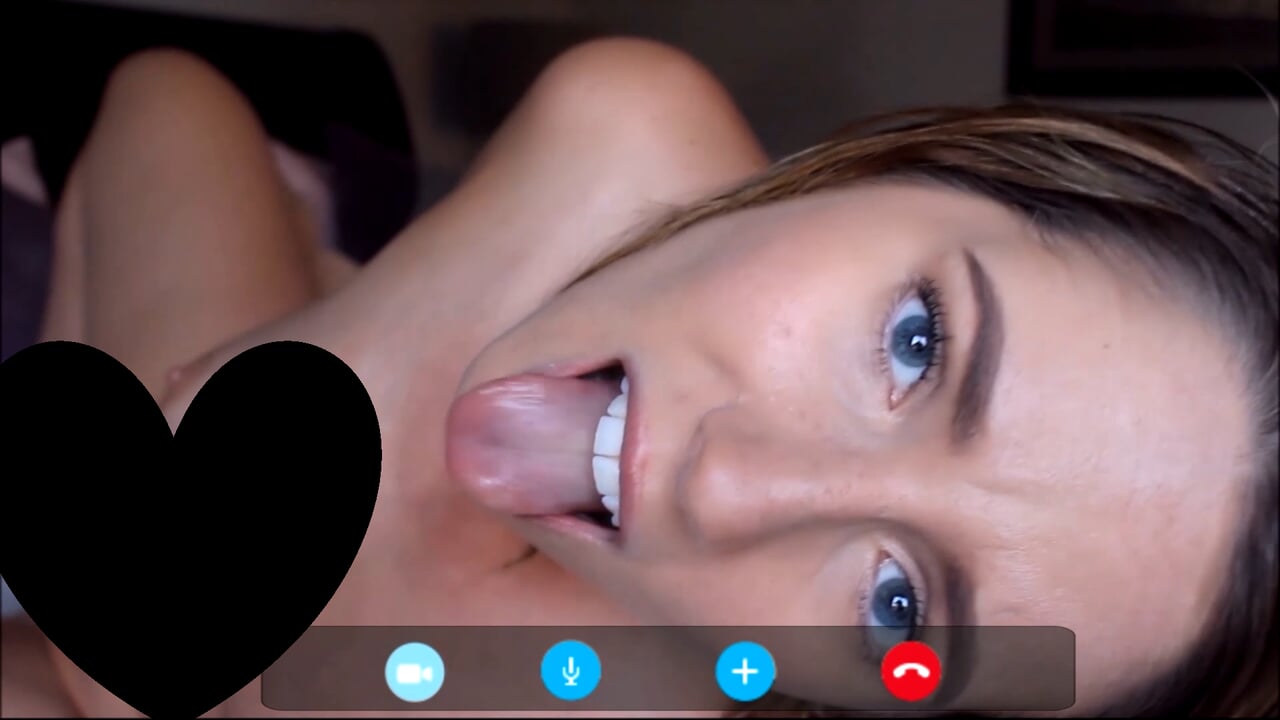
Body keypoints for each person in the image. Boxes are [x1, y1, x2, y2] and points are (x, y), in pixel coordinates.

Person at [0, 38, 1275, 718]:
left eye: (898, 608)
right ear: (932, 165)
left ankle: (322, 241)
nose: (726, 487)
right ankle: (317, 234)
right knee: (166, 92)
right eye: (916, 343)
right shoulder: (624, 132)